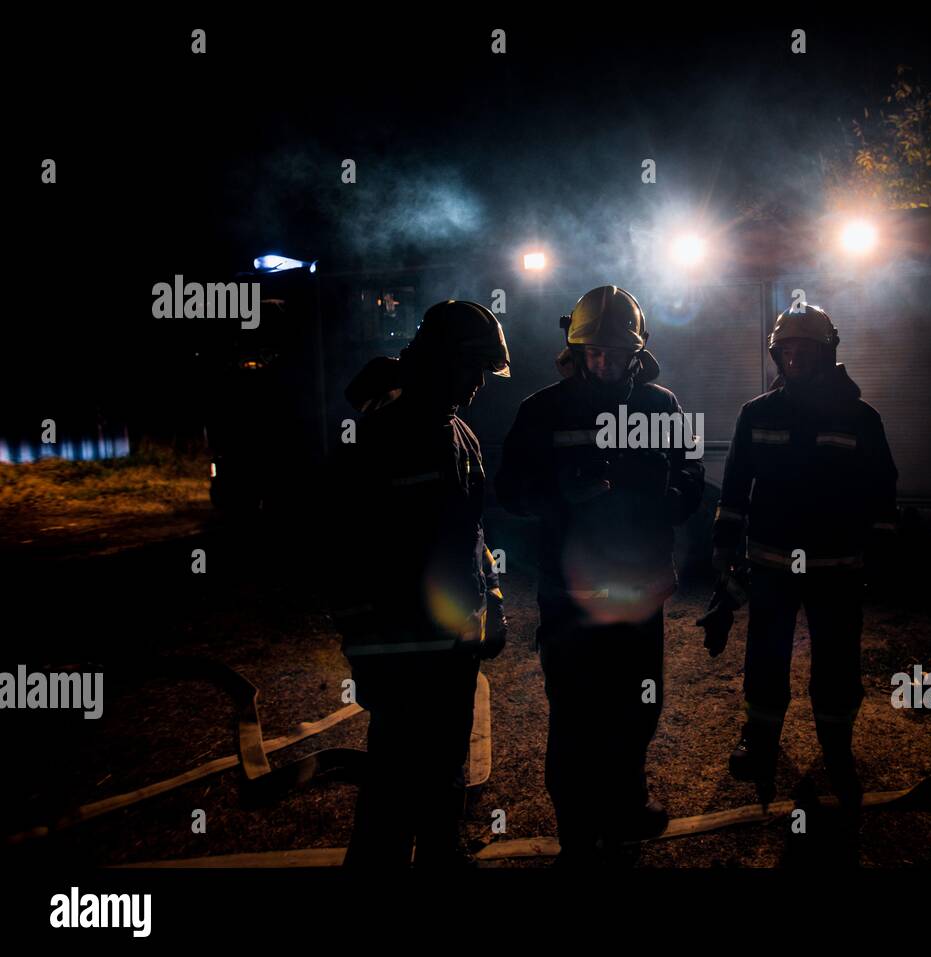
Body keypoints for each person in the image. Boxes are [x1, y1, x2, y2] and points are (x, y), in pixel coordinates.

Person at [495, 285, 705, 863]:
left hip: (640, 594)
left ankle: (626, 811)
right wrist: (560, 494)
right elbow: (509, 491)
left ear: (638, 350)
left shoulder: (662, 407)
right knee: (575, 717)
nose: (606, 362)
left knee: (640, 707)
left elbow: (691, 473)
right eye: (595, 351)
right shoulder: (543, 410)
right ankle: (577, 836)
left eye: (616, 351)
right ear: (576, 348)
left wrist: (671, 497)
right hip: (572, 600)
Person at [332, 299, 510, 867]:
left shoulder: (459, 434)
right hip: (401, 653)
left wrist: (495, 607)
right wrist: (362, 648)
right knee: (390, 788)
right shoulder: (382, 436)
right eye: (473, 370)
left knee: (445, 770)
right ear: (443, 362)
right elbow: (344, 550)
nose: (480, 384)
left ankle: (442, 856)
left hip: (454, 650)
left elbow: (472, 534)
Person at [705, 304, 897, 809]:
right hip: (770, 566)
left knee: (836, 663)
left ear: (826, 352)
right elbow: (735, 488)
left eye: (803, 350)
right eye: (785, 350)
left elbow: (882, 491)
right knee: (765, 658)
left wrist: (878, 551)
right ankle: (760, 740)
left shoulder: (861, 418)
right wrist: (724, 548)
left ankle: (837, 748)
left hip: (837, 568)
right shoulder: (756, 413)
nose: (793, 358)